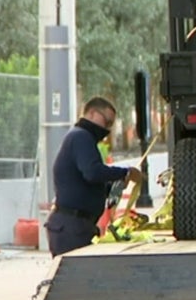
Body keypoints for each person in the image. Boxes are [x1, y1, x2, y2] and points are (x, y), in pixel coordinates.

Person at [45, 97, 142, 257]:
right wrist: (125, 173)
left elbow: (87, 180)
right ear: (92, 113)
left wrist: (112, 186)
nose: (107, 129)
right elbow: (92, 172)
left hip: (78, 225)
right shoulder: (80, 137)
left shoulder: (82, 138)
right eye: (106, 122)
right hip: (71, 225)